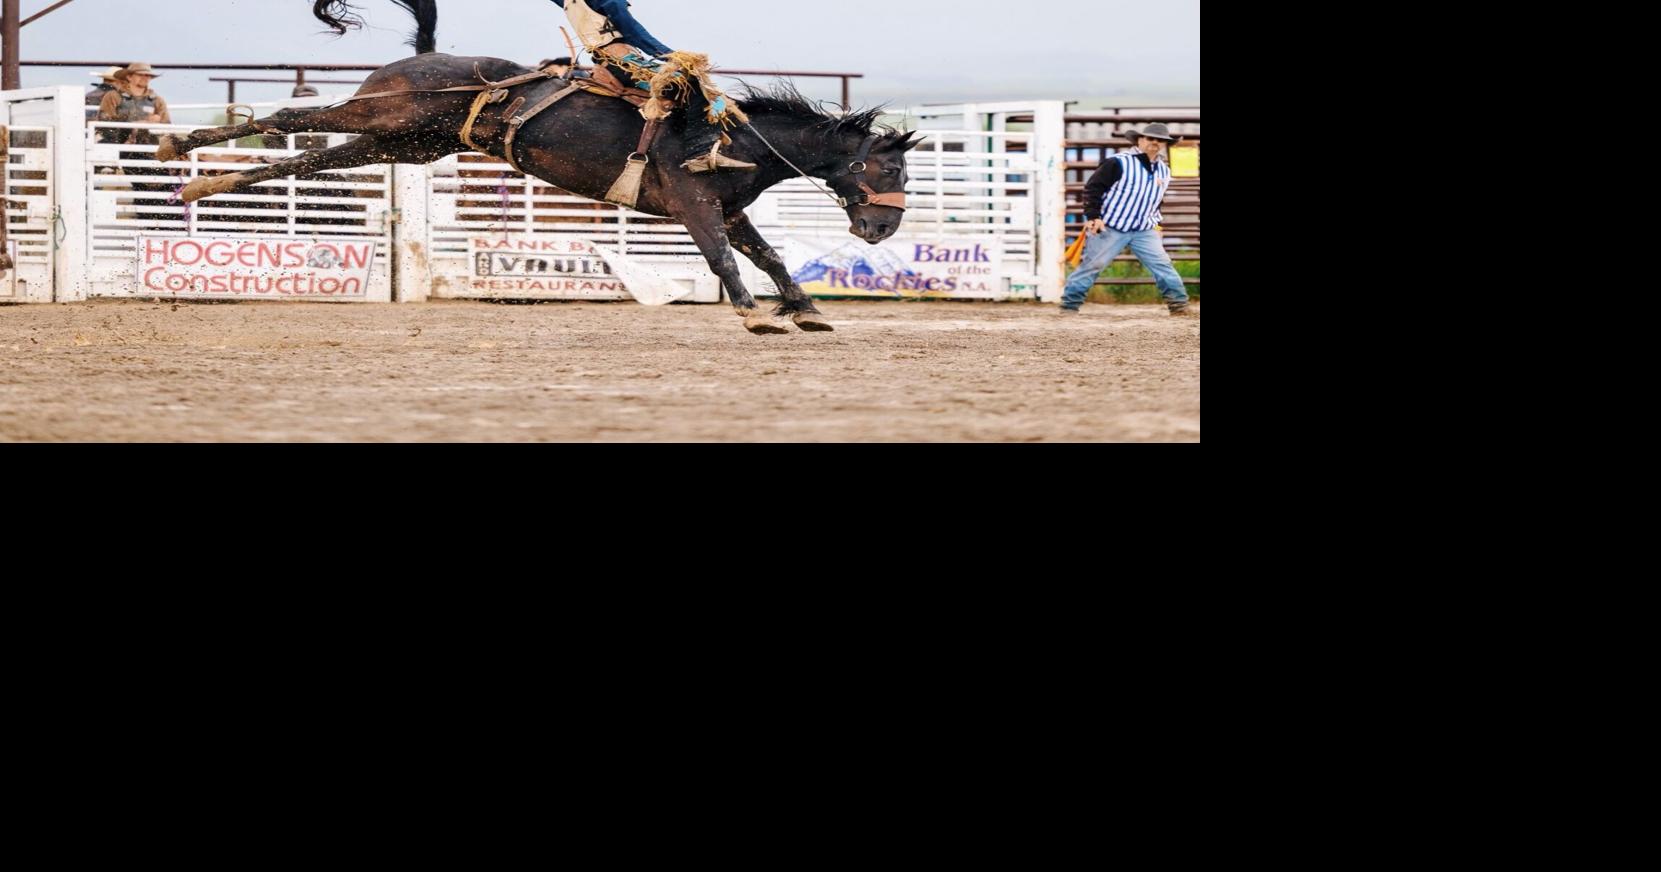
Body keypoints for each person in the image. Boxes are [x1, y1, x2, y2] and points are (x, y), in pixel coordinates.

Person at [547, 0, 753, 173]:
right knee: (694, 86)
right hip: (624, 62)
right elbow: (632, 30)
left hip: (609, 61)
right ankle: (699, 153)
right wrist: (671, 55)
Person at [1060, 122, 1193, 316]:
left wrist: (1157, 223)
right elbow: (1093, 187)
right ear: (1140, 140)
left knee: (1162, 265)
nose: (1154, 142)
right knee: (1092, 265)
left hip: (1144, 228)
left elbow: (1156, 199)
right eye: (1150, 138)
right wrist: (1093, 216)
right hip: (1111, 226)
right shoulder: (1117, 162)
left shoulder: (1164, 170)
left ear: (1165, 144)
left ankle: (1179, 305)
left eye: (1160, 140)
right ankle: (1069, 306)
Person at [97, 62, 171, 145]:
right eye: (140, 75)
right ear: (129, 77)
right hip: (118, 144)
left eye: (147, 75)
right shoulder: (113, 96)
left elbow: (167, 126)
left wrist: (157, 123)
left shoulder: (157, 100)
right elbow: (104, 124)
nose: (144, 78)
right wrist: (133, 126)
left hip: (147, 145)